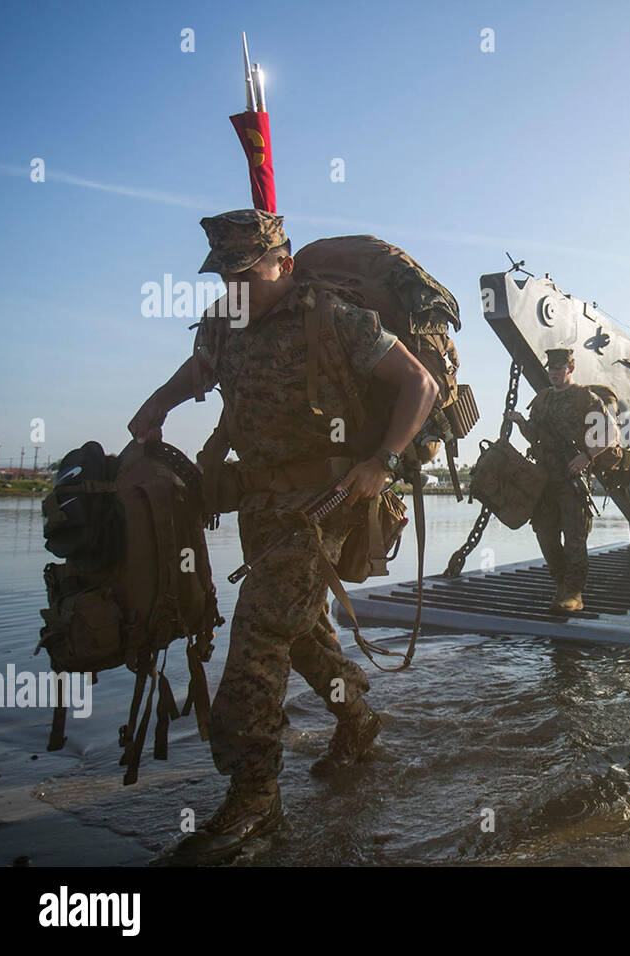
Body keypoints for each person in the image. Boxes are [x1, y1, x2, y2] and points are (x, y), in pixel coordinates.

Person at [127, 209, 438, 863]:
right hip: (259, 500)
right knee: (300, 634)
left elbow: (419, 382)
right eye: (225, 275)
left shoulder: (335, 319)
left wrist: (381, 462)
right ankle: (357, 718)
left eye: (248, 273)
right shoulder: (223, 322)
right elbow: (200, 372)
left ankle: (254, 800)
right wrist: (160, 402)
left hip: (326, 500)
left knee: (260, 631)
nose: (235, 287)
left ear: (284, 266)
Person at [506, 348, 612, 612]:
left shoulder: (584, 398)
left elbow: (610, 432)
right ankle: (561, 584)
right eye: (551, 369)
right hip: (544, 479)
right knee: (545, 534)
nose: (554, 373)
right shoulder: (542, 400)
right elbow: (534, 436)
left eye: (559, 369)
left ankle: (573, 593)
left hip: (572, 478)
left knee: (575, 536)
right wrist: (520, 422)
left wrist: (587, 456)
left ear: (570, 369)